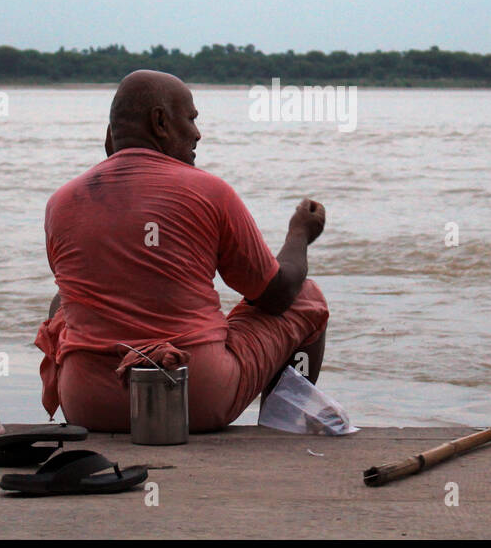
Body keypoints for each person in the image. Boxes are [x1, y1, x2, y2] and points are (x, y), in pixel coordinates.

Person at [37, 70, 330, 433]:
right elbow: (277, 295)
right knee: (306, 295)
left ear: (111, 137)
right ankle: (282, 424)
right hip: (193, 398)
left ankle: (97, 403)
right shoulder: (209, 191)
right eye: (190, 119)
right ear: (160, 122)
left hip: (90, 405)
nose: (197, 134)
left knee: (61, 304)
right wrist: (300, 233)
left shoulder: (61, 202)